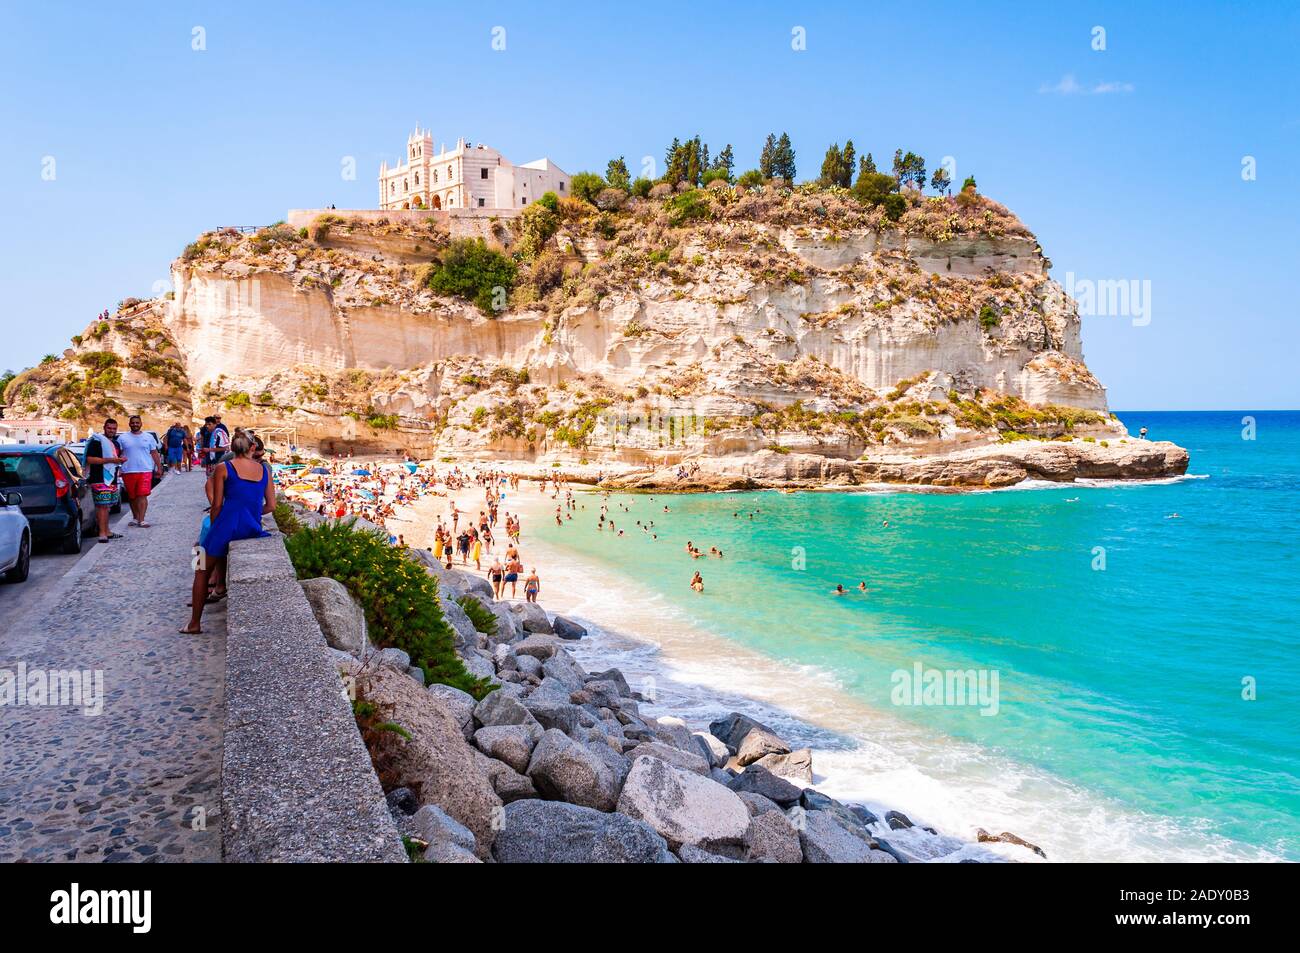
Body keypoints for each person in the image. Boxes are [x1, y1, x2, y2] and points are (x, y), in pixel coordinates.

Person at [182, 433, 274, 634]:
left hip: (226, 525)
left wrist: (217, 527)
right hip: (251, 527)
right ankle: (220, 586)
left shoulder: (224, 467)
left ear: (232, 448)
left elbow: (216, 505)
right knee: (210, 560)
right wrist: (250, 513)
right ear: (252, 448)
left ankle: (194, 624)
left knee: (201, 570)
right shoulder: (264, 470)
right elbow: (271, 506)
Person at [84, 419, 126, 543]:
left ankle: (107, 531)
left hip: (111, 478)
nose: (112, 431)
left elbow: (116, 460)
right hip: (99, 478)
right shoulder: (97, 442)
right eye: (109, 428)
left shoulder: (116, 443)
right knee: (102, 506)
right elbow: (90, 459)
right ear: (104, 428)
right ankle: (102, 534)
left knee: (107, 506)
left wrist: (119, 464)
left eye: (114, 428)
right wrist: (111, 461)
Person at [117, 415, 162, 528]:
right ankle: (135, 517)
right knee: (132, 496)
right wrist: (118, 468)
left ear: (141, 424)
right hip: (128, 470)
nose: (135, 424)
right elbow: (117, 454)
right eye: (133, 423)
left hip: (145, 470)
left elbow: (154, 453)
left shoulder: (148, 437)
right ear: (129, 424)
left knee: (142, 495)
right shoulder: (122, 438)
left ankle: (142, 519)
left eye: (137, 422)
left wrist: (159, 467)